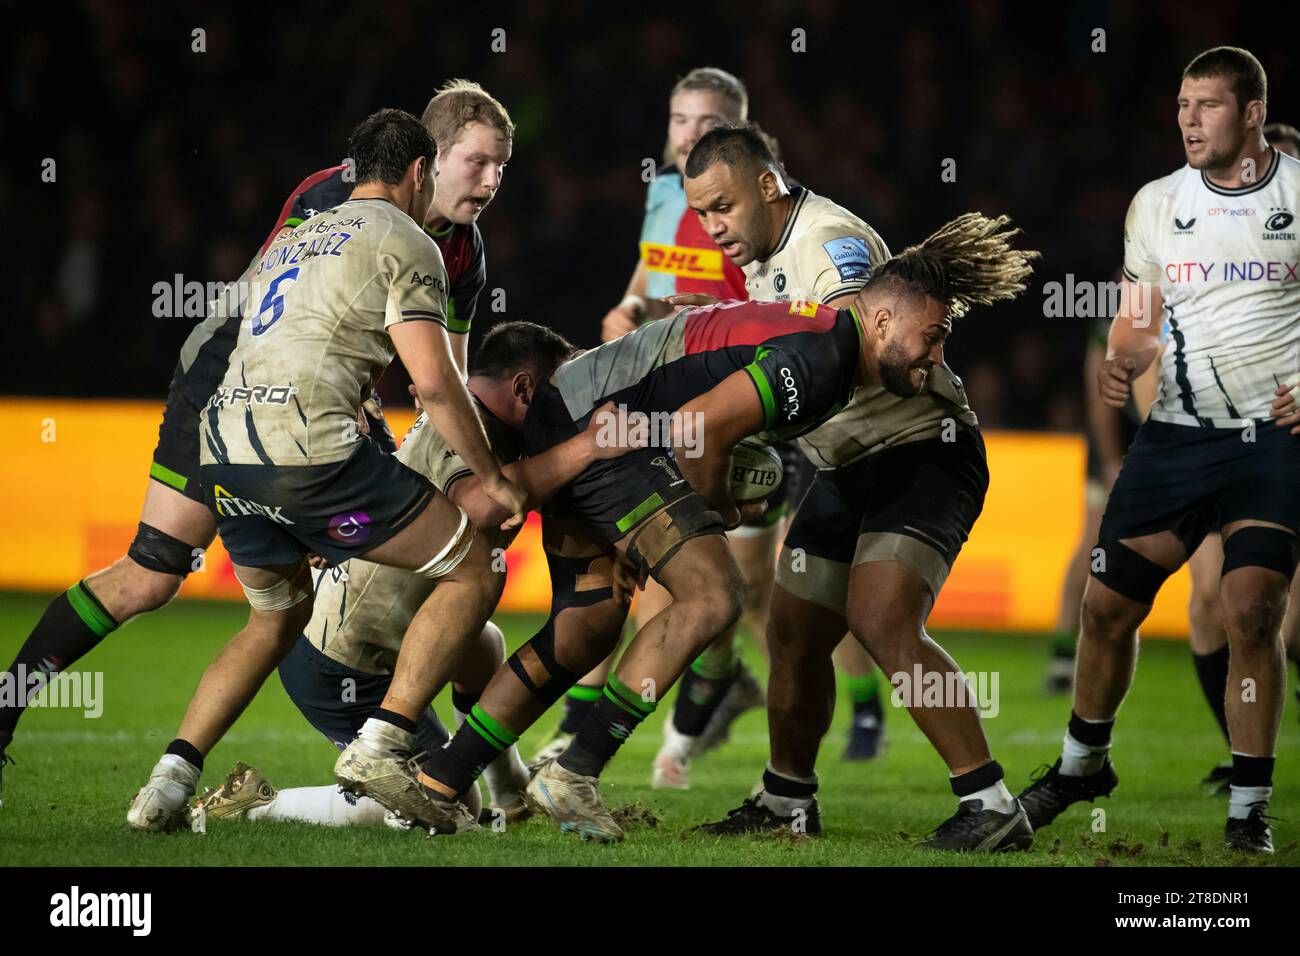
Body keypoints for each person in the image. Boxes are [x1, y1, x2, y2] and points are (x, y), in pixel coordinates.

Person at [0, 79, 514, 808]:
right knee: (152, 575)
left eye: (502, 167)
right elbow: (295, 327)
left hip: (310, 408)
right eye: (477, 162)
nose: (491, 182)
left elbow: (447, 382)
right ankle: (400, 747)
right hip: (232, 377)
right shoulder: (337, 196)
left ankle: (182, 779)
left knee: (302, 601)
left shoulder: (461, 252)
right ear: (429, 159)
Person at [127, 108, 527, 834]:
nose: (490, 181)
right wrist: (493, 480)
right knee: (474, 566)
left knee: (272, 618)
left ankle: (166, 785)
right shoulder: (412, 240)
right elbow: (436, 386)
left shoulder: (301, 231)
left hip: (222, 447)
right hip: (309, 448)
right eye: (476, 163)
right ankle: (380, 744)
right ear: (419, 171)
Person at [1016, 47, 1300, 855]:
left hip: (1269, 443)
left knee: (1252, 609)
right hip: (1175, 437)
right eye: (1181, 104)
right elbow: (1139, 315)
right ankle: (1082, 764)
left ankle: (1249, 803)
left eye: (1207, 105)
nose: (1188, 118)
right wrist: (1126, 355)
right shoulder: (1155, 204)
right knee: (1106, 608)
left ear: (1250, 113)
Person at [196, 323, 630, 829]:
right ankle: (257, 807)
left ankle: (510, 791)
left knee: (483, 642)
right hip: (345, 662)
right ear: (523, 389)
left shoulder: (488, 425)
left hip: (372, 631)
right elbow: (480, 504)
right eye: (557, 389)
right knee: (442, 805)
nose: (566, 405)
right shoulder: (468, 428)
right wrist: (589, 447)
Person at [696, 214, 1039, 851]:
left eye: (720, 203)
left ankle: (990, 805)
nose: (713, 221)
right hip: (840, 468)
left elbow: (834, 329)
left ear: (762, 187)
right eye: (701, 206)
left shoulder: (827, 241)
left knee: (882, 619)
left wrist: (735, 334)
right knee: (792, 633)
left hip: (925, 454)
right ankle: (785, 799)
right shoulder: (757, 266)